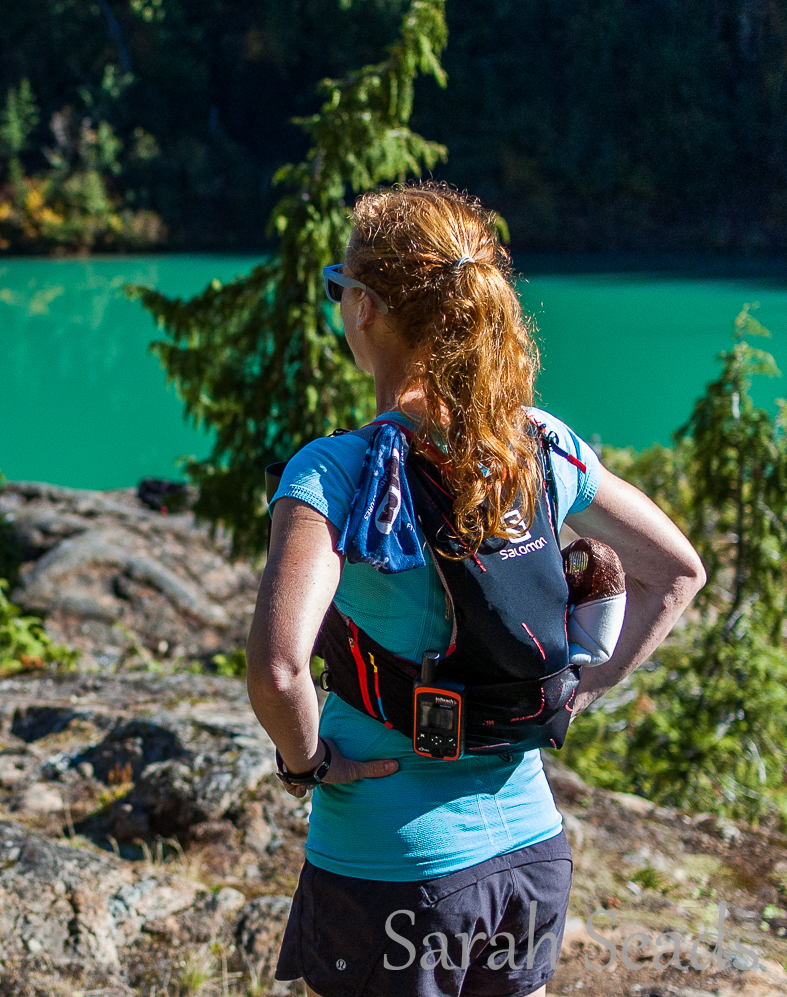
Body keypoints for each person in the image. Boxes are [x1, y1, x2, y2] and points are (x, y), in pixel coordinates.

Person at [247, 182, 705, 997]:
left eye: (339, 286)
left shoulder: (336, 471)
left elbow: (280, 669)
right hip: (532, 856)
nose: (340, 304)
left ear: (369, 309)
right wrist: (582, 688)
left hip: (390, 863)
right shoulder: (536, 443)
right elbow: (677, 570)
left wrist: (307, 763)